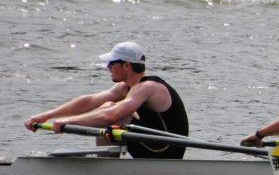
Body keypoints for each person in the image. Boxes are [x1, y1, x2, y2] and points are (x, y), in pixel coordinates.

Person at [23, 41, 189, 158]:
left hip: (165, 151)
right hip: (151, 145)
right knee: (107, 105)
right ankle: (106, 164)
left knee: (110, 111)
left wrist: (68, 122)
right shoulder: (126, 87)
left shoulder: (148, 87)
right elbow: (88, 102)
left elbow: (110, 116)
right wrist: (45, 116)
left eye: (111, 63)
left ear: (127, 65)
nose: (107, 67)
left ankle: (105, 166)